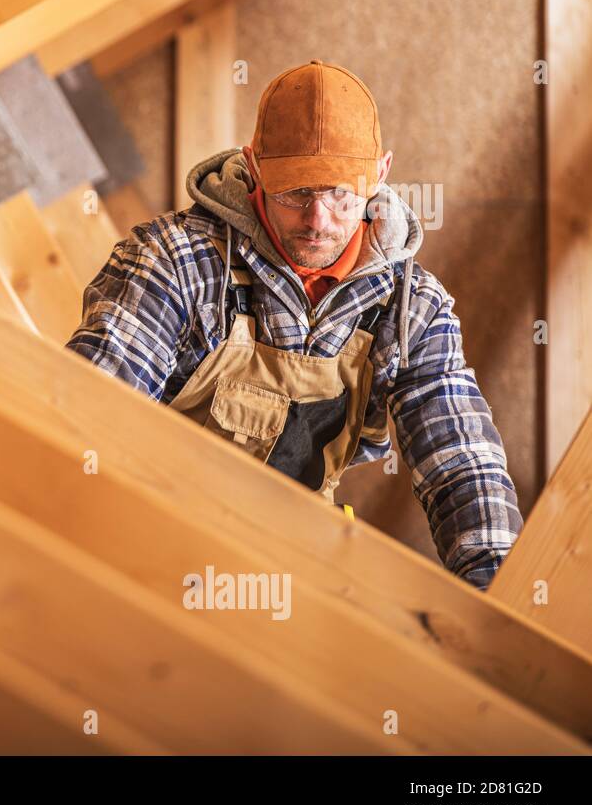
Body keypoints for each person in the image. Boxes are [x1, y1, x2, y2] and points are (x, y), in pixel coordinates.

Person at [67, 60, 519, 589]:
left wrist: (500, 601)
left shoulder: (409, 308)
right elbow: (89, 410)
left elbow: (461, 463)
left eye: (340, 193)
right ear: (254, 166)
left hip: (301, 576)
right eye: (295, 193)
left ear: (381, 171)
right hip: (158, 557)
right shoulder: (174, 262)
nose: (318, 219)